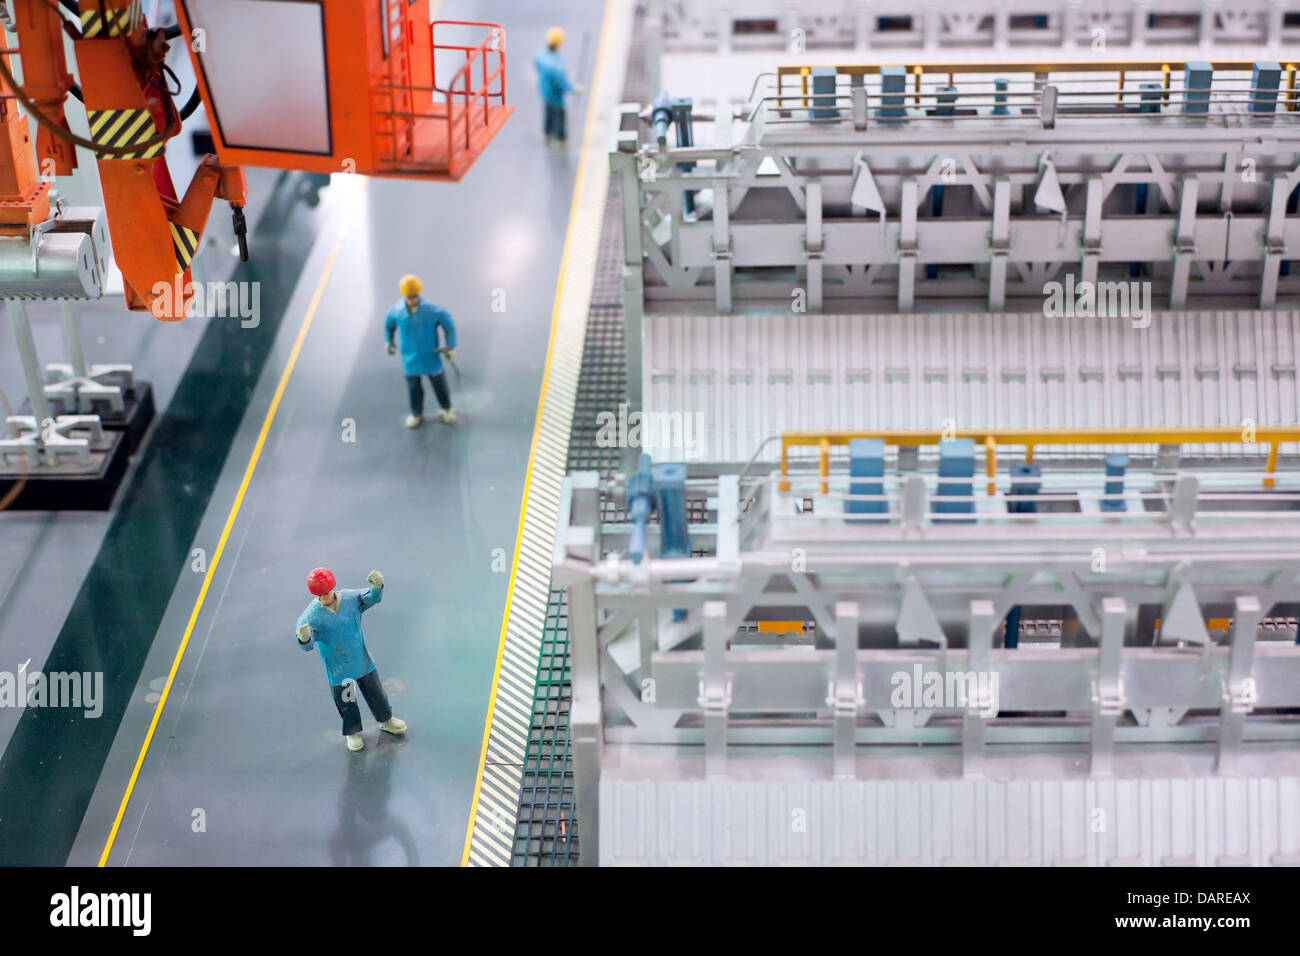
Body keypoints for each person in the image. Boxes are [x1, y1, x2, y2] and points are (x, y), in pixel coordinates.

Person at [296, 567, 407, 752]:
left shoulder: (350, 598)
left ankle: (386, 720)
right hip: (339, 668)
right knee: (347, 702)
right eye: (319, 595)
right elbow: (307, 645)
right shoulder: (311, 617)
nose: (324, 598)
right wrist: (304, 637)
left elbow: (371, 597)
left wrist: (378, 587)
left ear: (332, 588)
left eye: (326, 593)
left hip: (361, 660)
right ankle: (352, 732)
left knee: (376, 693)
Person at [384, 274, 457, 428]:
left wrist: (451, 347)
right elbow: (389, 325)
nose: (412, 300)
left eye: (415, 296)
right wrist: (388, 341)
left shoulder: (433, 310)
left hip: (431, 355)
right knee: (413, 388)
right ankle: (417, 413)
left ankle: (447, 409)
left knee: (439, 386)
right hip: (409, 358)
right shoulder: (397, 311)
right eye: (409, 297)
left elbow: (449, 326)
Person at [533, 26, 584, 147]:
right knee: (560, 116)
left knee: (548, 113)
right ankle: (560, 140)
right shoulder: (557, 65)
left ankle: (547, 134)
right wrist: (573, 89)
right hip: (556, 97)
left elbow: (536, 66)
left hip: (545, 92)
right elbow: (562, 83)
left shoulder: (540, 55)